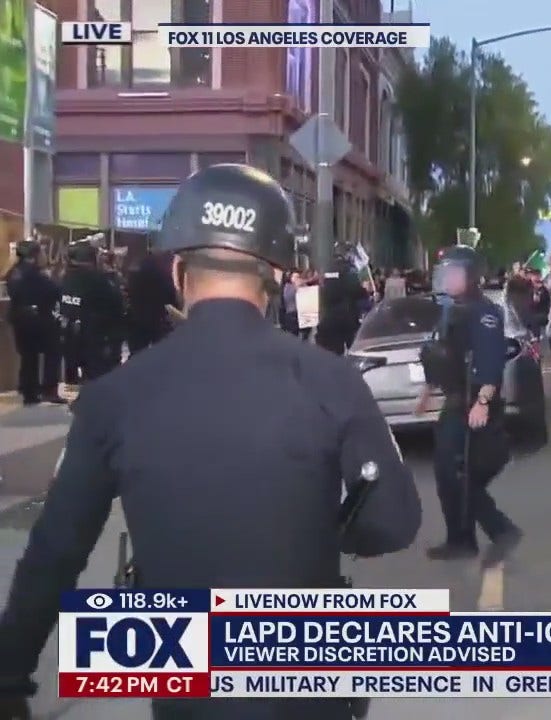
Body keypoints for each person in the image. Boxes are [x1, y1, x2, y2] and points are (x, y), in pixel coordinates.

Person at [0, 163, 422, 720]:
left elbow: (55, 552)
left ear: (179, 270)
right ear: (273, 276)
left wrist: (10, 679)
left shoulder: (114, 398)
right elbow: (394, 522)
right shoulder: (331, 380)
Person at [414, 245, 521, 561]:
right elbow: (444, 356)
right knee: (451, 475)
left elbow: (490, 362)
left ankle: (494, 532)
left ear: (472, 276)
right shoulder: (453, 309)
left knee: (458, 475)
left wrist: (483, 402)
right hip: (457, 399)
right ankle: (464, 538)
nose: (447, 277)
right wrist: (427, 392)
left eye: (455, 272)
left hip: (474, 401)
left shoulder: (484, 313)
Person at [2, 240, 65, 406]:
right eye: (42, 252)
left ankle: (28, 390)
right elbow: (55, 292)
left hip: (19, 320)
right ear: (34, 256)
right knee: (53, 351)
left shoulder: (13, 272)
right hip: (37, 320)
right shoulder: (35, 275)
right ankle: (48, 389)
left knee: (28, 356)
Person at [60, 240, 126, 385]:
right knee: (99, 375)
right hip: (98, 336)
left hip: (72, 333)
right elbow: (116, 303)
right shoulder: (99, 280)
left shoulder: (66, 277)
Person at [125, 250, 180, 355]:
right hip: (158, 317)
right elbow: (170, 293)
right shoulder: (164, 268)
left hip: (138, 316)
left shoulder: (139, 266)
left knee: (137, 353)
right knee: (161, 353)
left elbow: (130, 291)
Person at [315, 244, 366, 354]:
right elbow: (354, 289)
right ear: (346, 255)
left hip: (328, 316)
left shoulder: (326, 269)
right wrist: (365, 291)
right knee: (354, 350)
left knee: (333, 353)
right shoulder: (348, 269)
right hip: (347, 315)